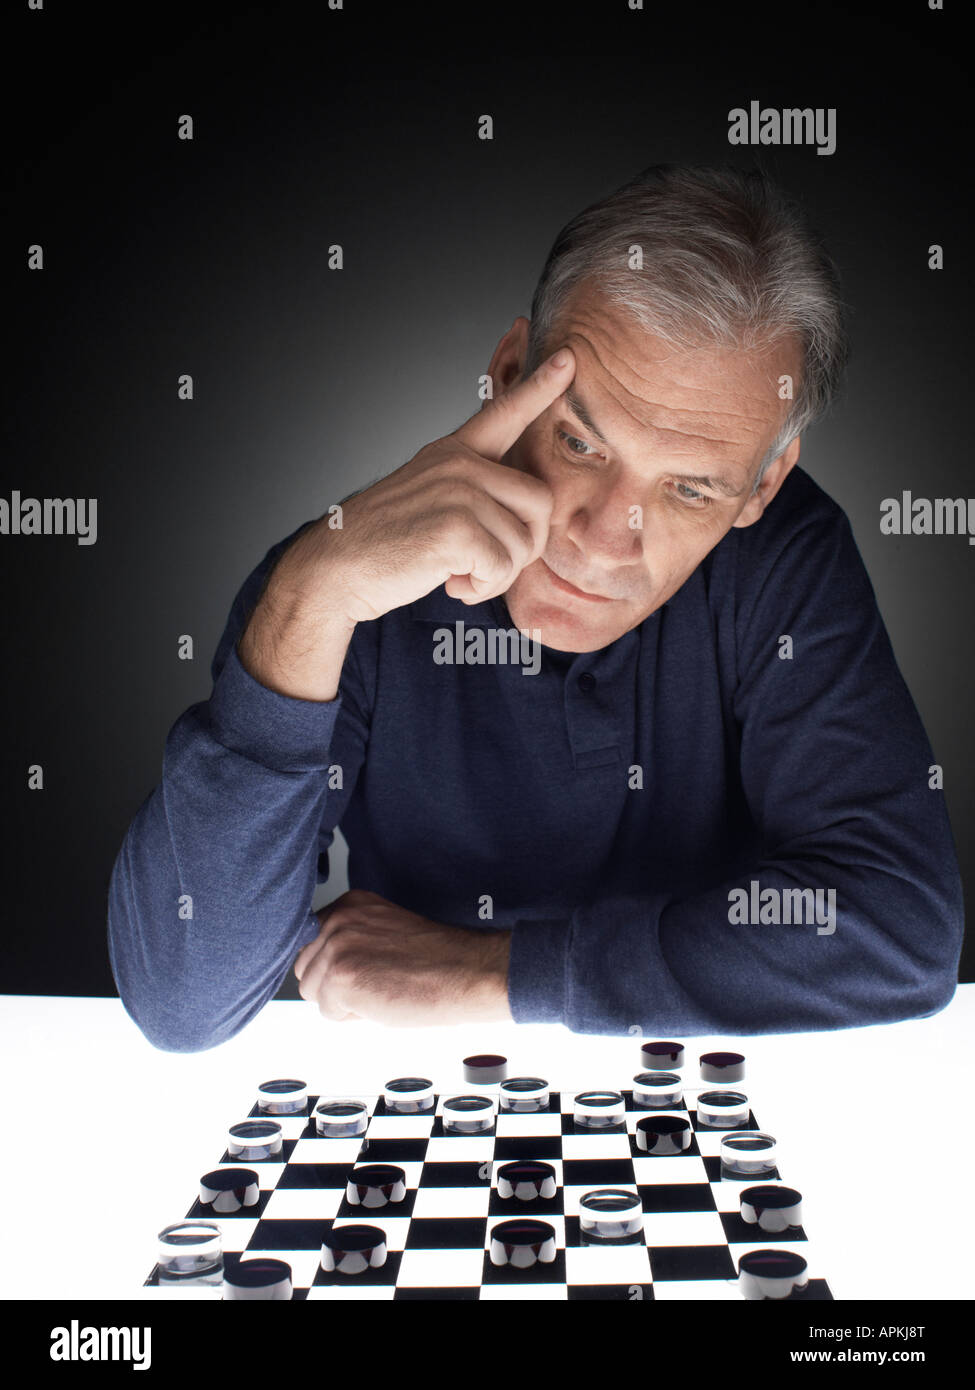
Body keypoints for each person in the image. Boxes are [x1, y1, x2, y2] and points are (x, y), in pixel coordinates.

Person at [107, 164, 964, 1051]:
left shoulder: (785, 556)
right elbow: (181, 999)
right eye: (580, 442)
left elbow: (898, 934)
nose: (603, 539)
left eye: (688, 491)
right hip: (411, 1085)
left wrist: (495, 972)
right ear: (509, 374)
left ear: (764, 485)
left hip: (699, 1081)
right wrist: (304, 599)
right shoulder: (339, 576)